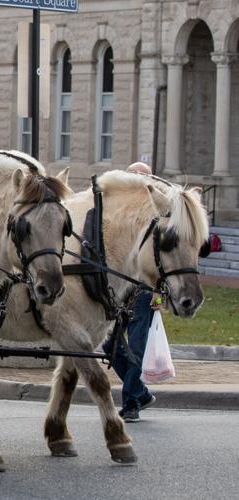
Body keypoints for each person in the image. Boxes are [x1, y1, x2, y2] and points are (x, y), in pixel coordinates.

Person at [103, 161, 160, 423]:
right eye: (132, 175)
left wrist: (160, 294)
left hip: (145, 290)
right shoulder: (118, 213)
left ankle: (131, 403)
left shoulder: (157, 215)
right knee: (108, 342)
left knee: (136, 347)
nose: (136, 179)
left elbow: (163, 260)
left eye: (142, 176)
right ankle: (141, 393)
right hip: (118, 289)